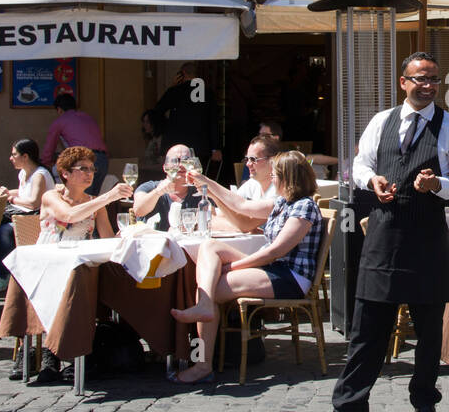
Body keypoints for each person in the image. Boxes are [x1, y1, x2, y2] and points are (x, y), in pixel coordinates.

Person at [312, 52, 449, 412]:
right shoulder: (381, 121)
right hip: (384, 234)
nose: (427, 85)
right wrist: (373, 183)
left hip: (427, 236)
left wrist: (438, 185)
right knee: (367, 327)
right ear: (403, 82)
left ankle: (424, 405)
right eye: (419, 78)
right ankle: (350, 408)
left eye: (433, 79)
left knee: (429, 329)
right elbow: (360, 166)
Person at [171, 151, 326, 384]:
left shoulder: (303, 208)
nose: (272, 180)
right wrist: (207, 183)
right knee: (210, 247)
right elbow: (241, 205)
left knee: (213, 287)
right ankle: (204, 309)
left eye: (275, 175)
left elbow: (274, 252)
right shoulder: (283, 203)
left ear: (289, 178)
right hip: (275, 268)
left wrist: (232, 267)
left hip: (291, 277)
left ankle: (202, 364)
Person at [28, 146, 132, 383]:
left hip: (78, 264)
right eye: (82, 169)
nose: (89, 174)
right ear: (64, 173)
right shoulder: (51, 197)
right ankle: (50, 354)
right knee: (65, 282)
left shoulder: (94, 203)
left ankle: (75, 352)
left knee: (89, 279)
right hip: (48, 262)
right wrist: (109, 196)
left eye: (92, 169)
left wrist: (129, 235)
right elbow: (70, 216)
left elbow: (108, 240)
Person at [0, 138, 53, 282]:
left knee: (4, 231)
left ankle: (3, 276)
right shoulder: (23, 173)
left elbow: (33, 203)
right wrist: (8, 192)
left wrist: (10, 199)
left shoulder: (40, 175)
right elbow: (22, 192)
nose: (11, 158)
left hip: (36, 219)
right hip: (23, 215)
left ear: (25, 156)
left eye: (14, 154)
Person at [192, 136, 282, 233]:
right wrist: (214, 197)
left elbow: (245, 225)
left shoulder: (281, 190)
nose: (248, 164)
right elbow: (226, 212)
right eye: (247, 159)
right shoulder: (252, 184)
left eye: (253, 159)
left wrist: (210, 186)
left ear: (272, 160)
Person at [155, 62, 222, 170]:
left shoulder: (175, 91)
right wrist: (216, 148)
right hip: (201, 145)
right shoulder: (208, 92)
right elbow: (213, 121)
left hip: (177, 145)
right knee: (198, 178)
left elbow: (158, 111)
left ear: (182, 74)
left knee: (178, 178)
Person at [43, 93, 109, 196]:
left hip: (83, 161)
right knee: (93, 198)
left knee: (81, 198)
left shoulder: (60, 121)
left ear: (59, 110)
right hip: (102, 159)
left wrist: (45, 164)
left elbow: (49, 149)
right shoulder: (88, 118)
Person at [132, 144, 207, 231]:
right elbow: (138, 211)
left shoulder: (200, 192)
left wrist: (194, 226)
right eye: (176, 160)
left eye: (186, 160)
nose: (181, 165)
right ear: (165, 167)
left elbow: (215, 220)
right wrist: (158, 192)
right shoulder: (149, 187)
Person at [140, 109, 164, 176]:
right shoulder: (152, 140)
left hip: (158, 176)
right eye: (144, 122)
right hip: (149, 174)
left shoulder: (161, 140)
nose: (145, 125)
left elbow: (163, 165)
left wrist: (144, 168)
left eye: (147, 122)